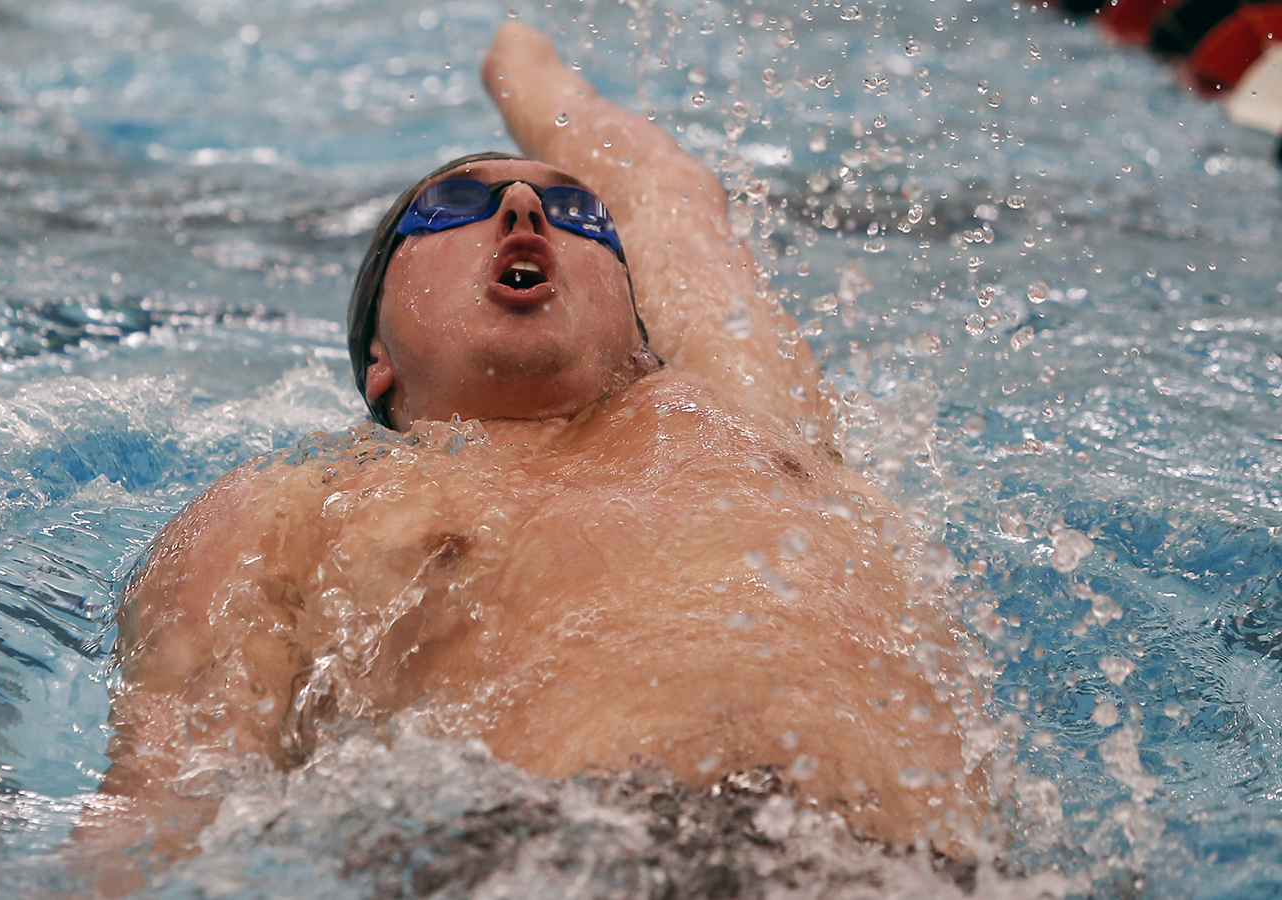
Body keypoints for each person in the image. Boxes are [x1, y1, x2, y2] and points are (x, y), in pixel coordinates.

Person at [73, 20, 983, 889]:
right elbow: (166, 791)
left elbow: (664, 191)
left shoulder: (741, 407)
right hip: (539, 858)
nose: (520, 208)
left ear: (639, 324)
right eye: (453, 207)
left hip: (912, 872)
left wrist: (523, 62)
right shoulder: (288, 506)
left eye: (574, 209)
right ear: (377, 356)